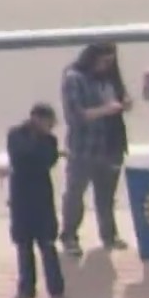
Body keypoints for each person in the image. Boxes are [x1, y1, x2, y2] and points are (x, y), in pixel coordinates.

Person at [59, 41, 132, 256]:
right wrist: (106, 110)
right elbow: (75, 115)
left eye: (111, 62)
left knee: (106, 195)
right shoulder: (74, 79)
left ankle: (109, 235)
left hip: (112, 144)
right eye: (104, 61)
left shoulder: (110, 77)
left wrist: (124, 102)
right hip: (85, 147)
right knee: (75, 193)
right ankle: (70, 235)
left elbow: (120, 98)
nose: (107, 66)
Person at [4, 103, 68, 298]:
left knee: (48, 247)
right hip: (21, 200)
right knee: (24, 247)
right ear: (37, 119)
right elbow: (21, 157)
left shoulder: (50, 141)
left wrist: (40, 149)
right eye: (49, 122)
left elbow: (44, 161)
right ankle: (26, 290)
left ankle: (56, 292)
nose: (51, 127)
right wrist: (36, 148)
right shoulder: (15, 135)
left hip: (42, 200)